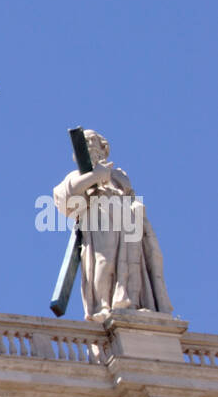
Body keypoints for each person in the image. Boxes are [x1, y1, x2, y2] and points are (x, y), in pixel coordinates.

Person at [52, 130, 172, 319]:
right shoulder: (75, 175)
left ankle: (131, 301)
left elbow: (129, 192)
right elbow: (66, 195)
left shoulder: (119, 174)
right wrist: (96, 176)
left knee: (133, 263)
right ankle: (102, 306)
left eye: (93, 140)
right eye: (85, 142)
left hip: (126, 220)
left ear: (103, 147)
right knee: (103, 261)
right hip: (98, 218)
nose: (90, 144)